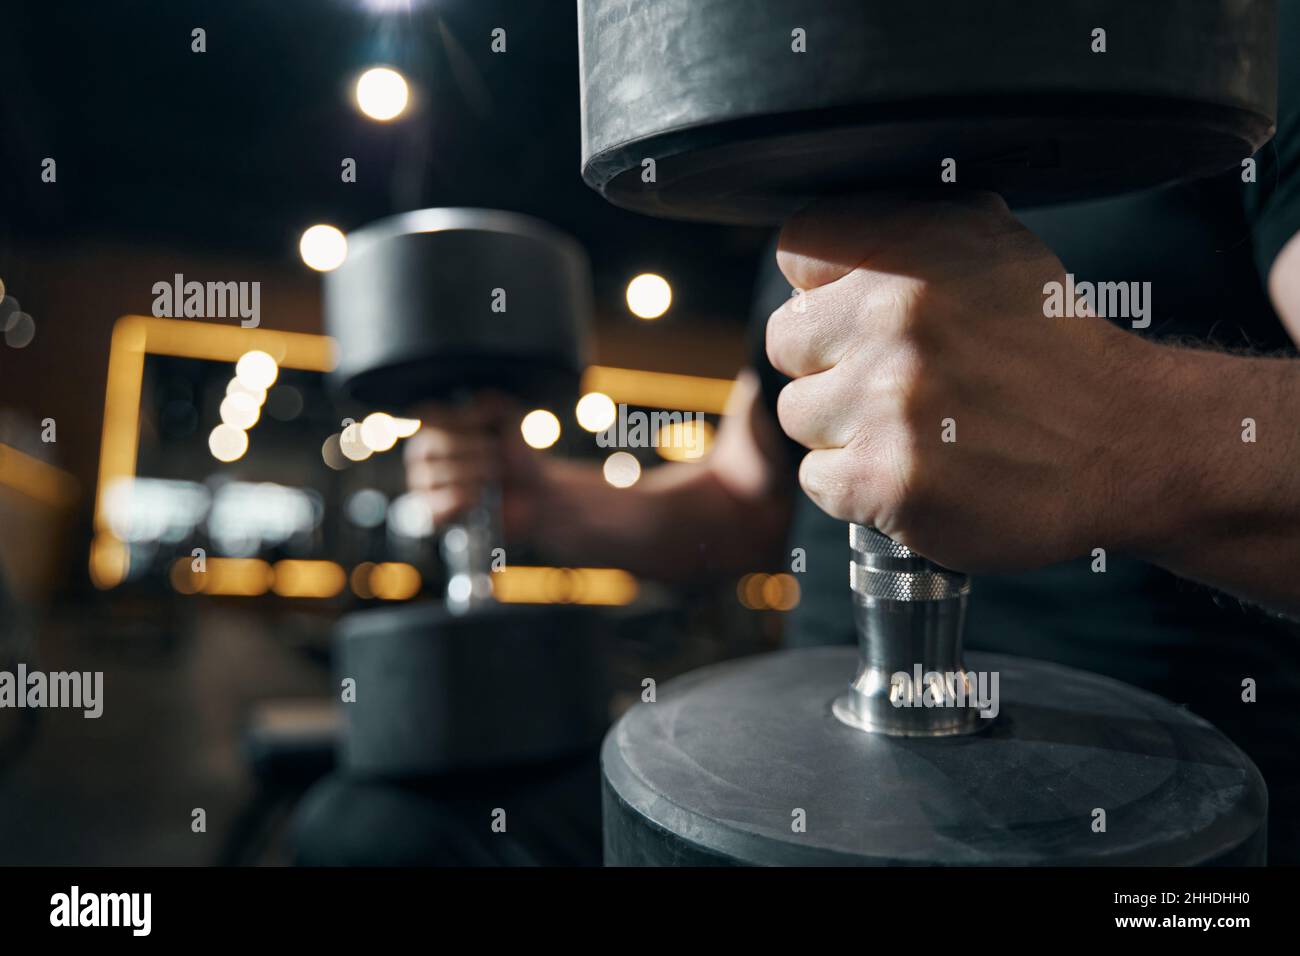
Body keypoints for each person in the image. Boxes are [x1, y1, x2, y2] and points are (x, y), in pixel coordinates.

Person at [407, 12, 1300, 862]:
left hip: (1154, 793)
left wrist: (1118, 427)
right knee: (391, 831)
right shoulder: (808, 152)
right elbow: (741, 499)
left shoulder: (1239, 52)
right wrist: (545, 500)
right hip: (815, 767)